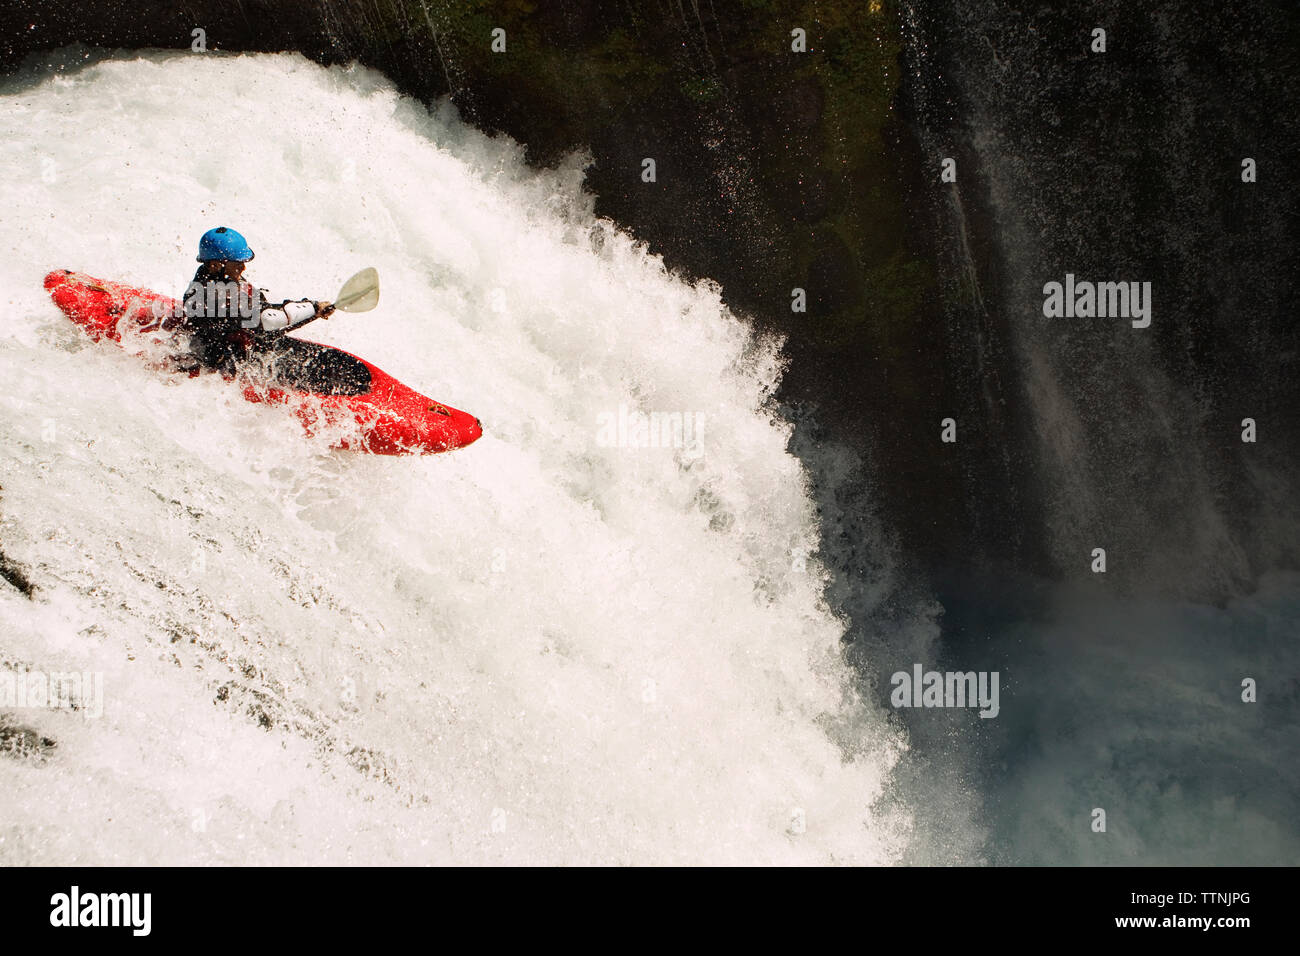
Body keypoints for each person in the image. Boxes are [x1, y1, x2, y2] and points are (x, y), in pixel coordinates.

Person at [180, 227, 368, 394]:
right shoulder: (213, 298)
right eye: (237, 264)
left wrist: (313, 310)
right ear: (215, 265)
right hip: (224, 363)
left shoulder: (218, 282)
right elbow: (269, 319)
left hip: (245, 346)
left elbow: (262, 314)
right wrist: (313, 307)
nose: (243, 267)